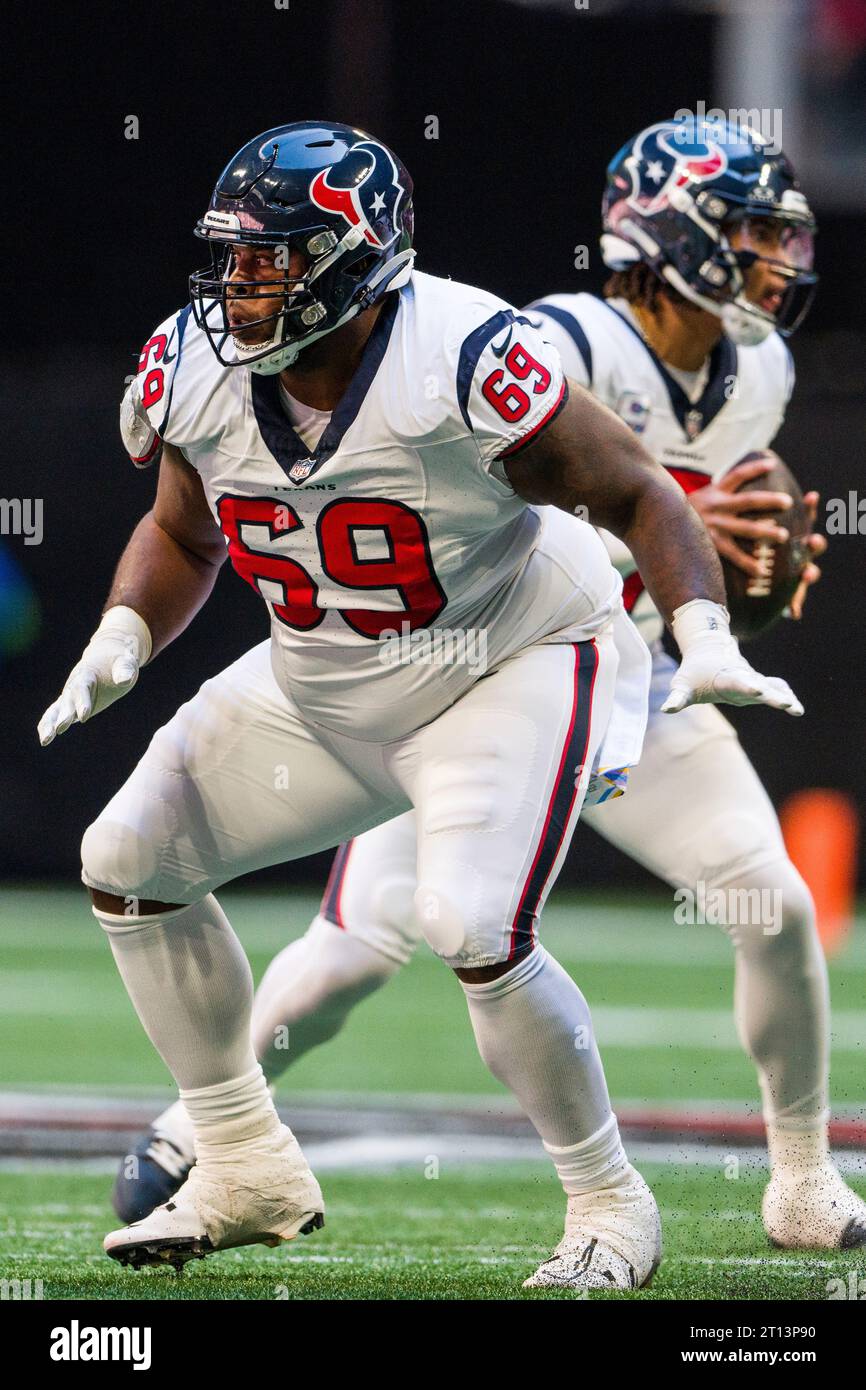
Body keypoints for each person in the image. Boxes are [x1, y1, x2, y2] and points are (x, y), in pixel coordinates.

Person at [40, 120, 801, 1289]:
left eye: (270, 258)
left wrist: (699, 632)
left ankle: (609, 1201)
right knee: (127, 857)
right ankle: (241, 1157)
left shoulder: (457, 353)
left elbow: (638, 492)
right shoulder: (190, 364)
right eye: (232, 257)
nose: (240, 284)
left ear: (351, 260)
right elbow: (184, 532)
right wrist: (124, 630)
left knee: (469, 923)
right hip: (325, 674)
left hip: (507, 660)